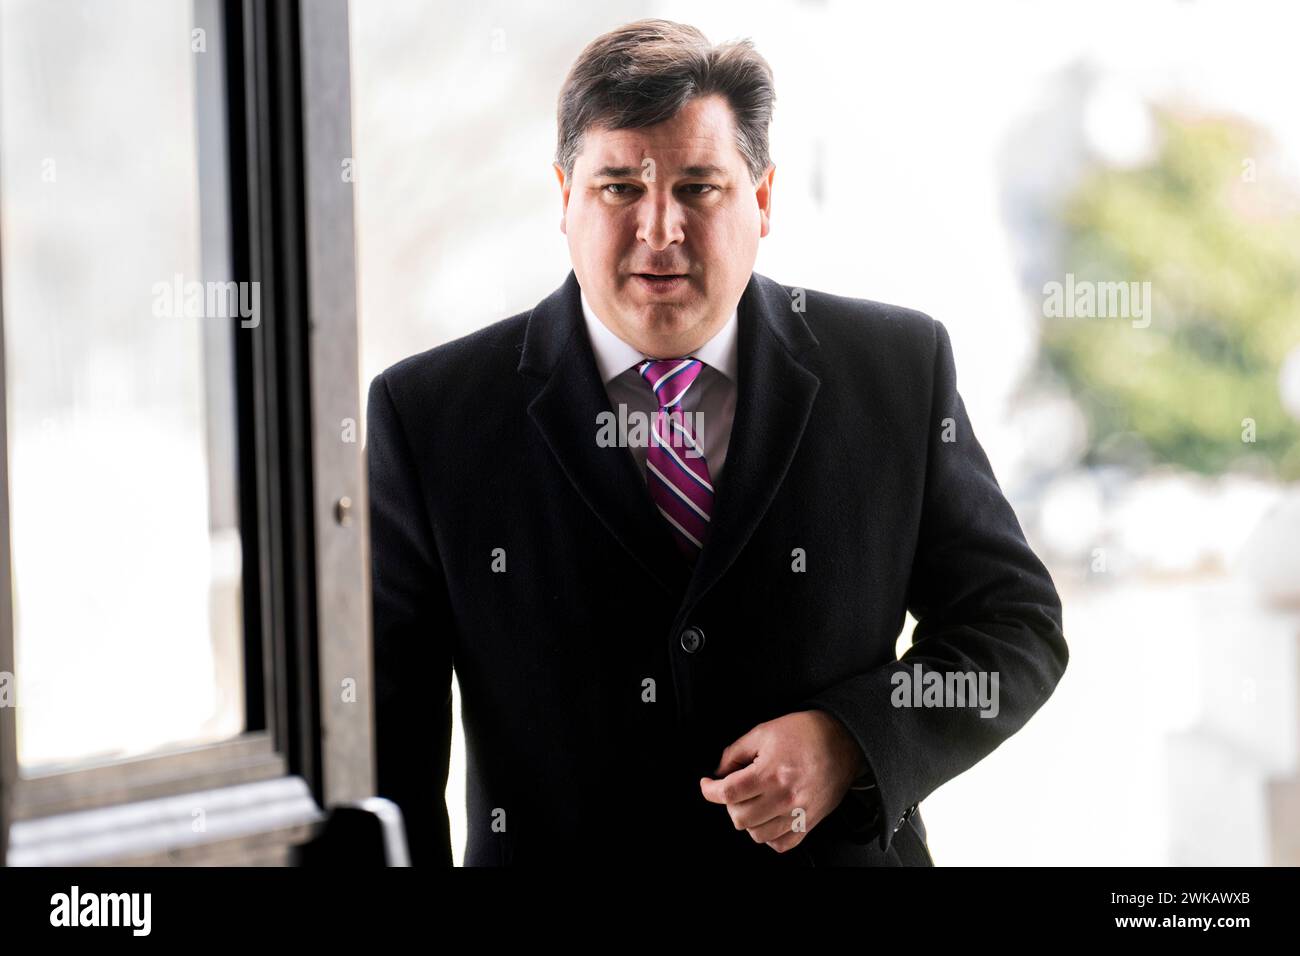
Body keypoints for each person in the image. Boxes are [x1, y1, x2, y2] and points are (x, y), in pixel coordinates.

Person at [366, 18, 1067, 866]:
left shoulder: (895, 370)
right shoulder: (429, 415)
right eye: (619, 187)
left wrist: (853, 740)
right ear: (563, 197)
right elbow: (388, 753)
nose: (659, 229)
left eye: (699, 188)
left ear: (762, 199)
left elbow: (1014, 627)